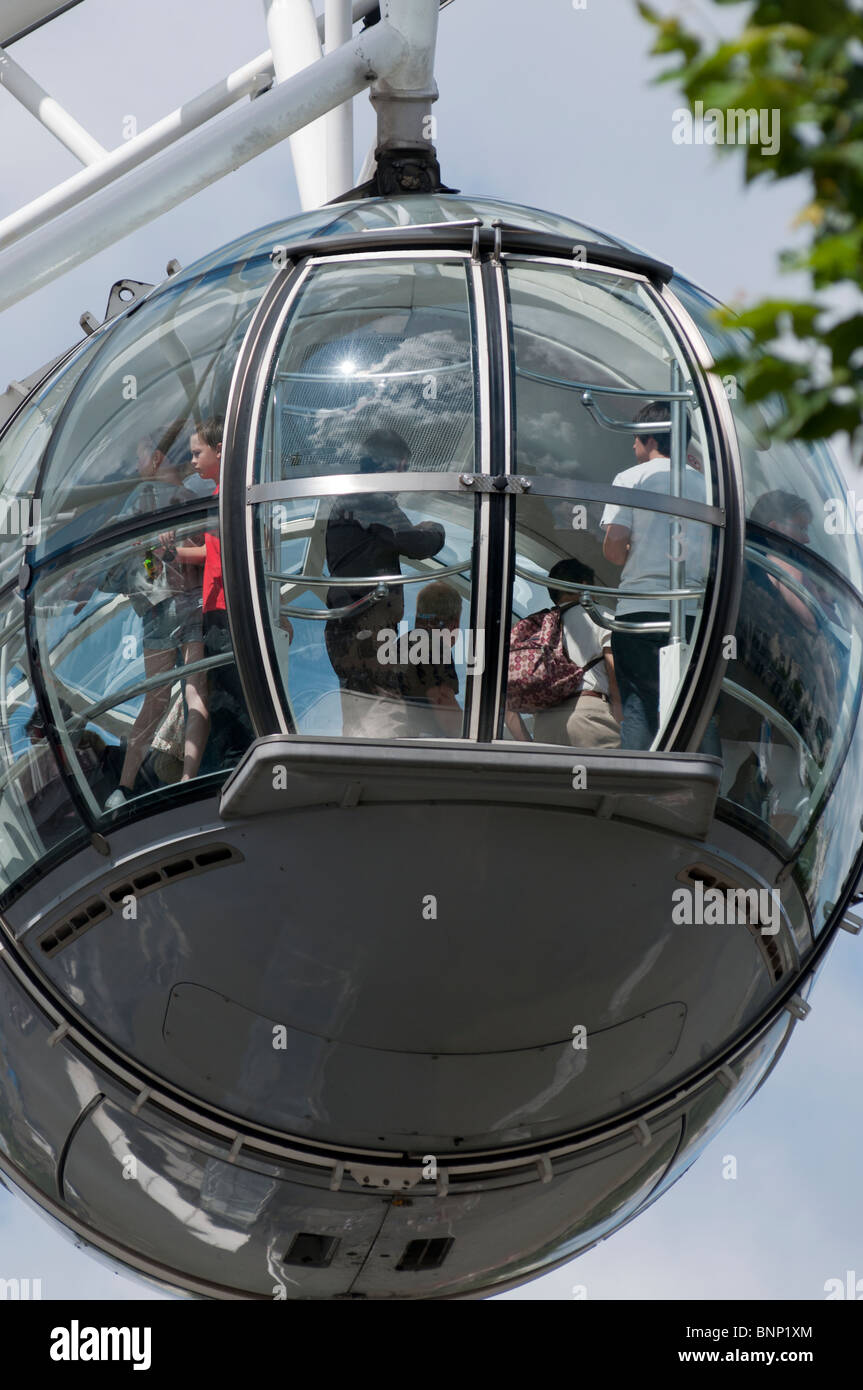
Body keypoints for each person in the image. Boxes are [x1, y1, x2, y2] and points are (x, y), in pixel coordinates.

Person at [73, 427, 209, 809]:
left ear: (156, 459)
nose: (136, 466)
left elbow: (140, 564)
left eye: (139, 457)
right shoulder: (189, 498)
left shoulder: (143, 502)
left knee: (156, 697)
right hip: (191, 603)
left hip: (159, 609)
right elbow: (194, 553)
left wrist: (146, 560)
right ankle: (188, 778)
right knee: (195, 691)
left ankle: (126, 785)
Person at [600, 401, 709, 749]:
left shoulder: (631, 478)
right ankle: (703, 794)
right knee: (696, 712)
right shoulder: (708, 487)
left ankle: (635, 796)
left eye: (635, 438)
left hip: (640, 611)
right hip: (693, 614)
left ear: (649, 438)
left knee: (640, 709)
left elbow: (614, 550)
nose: (632, 446)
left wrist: (639, 550)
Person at [324, 429, 445, 735]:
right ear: (398, 464)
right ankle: (389, 771)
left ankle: (357, 770)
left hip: (343, 620)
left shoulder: (348, 497)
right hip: (369, 618)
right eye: (404, 469)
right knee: (385, 701)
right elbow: (416, 544)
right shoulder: (372, 498)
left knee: (356, 704)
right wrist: (435, 528)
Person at [172, 418, 254, 771]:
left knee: (229, 689)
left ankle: (238, 759)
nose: (192, 461)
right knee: (228, 685)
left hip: (225, 605)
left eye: (197, 453)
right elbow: (213, 551)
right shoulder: (223, 495)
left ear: (219, 450)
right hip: (219, 602)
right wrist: (173, 553)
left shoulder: (229, 496)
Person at [506, 558, 623, 747]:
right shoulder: (602, 616)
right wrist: (620, 714)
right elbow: (614, 672)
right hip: (589, 719)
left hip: (545, 724)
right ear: (585, 586)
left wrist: (527, 741)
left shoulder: (539, 626)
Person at [396, 579, 464, 737]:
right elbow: (449, 720)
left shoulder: (401, 644)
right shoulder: (436, 648)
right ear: (455, 624)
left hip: (399, 738)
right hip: (423, 746)